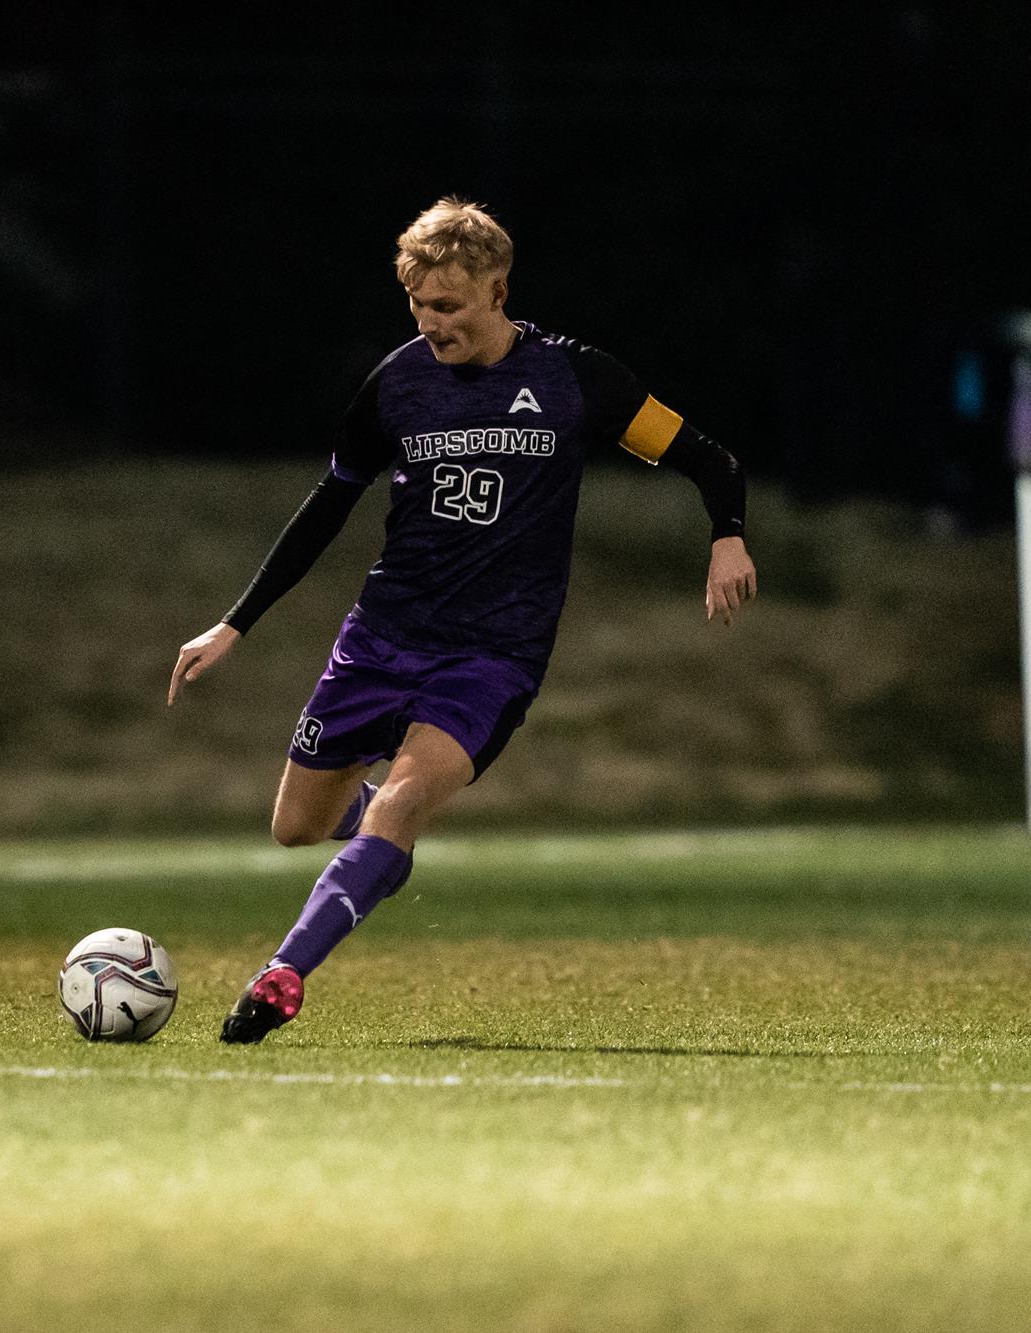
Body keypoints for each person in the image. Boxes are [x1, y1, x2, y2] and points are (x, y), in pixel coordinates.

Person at [168, 197, 757, 1043]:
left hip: (495, 654)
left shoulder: (575, 378)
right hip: (380, 635)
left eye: (447, 305)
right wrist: (234, 625)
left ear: (497, 289)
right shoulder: (396, 385)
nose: (430, 322)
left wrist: (727, 536)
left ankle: (283, 972)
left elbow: (708, 458)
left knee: (400, 807)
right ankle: (378, 837)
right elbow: (327, 508)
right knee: (295, 825)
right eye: (417, 305)